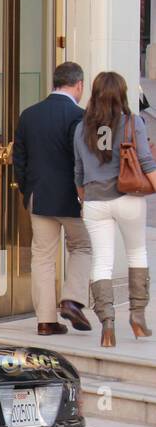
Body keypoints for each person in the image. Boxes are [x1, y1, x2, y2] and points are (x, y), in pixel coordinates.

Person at [74, 70, 156, 346]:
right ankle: (137, 317)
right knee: (137, 253)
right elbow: (146, 160)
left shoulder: (81, 127)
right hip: (128, 197)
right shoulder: (133, 121)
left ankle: (107, 324)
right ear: (121, 93)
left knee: (102, 261)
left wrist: (86, 199)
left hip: (95, 201)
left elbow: (78, 172)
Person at [13, 62, 92, 336]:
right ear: (79, 84)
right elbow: (83, 161)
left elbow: (19, 159)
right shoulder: (80, 116)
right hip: (72, 197)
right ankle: (71, 299)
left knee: (42, 258)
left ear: (55, 82)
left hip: (39, 197)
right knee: (82, 247)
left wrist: (28, 190)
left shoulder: (29, 114)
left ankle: (45, 321)